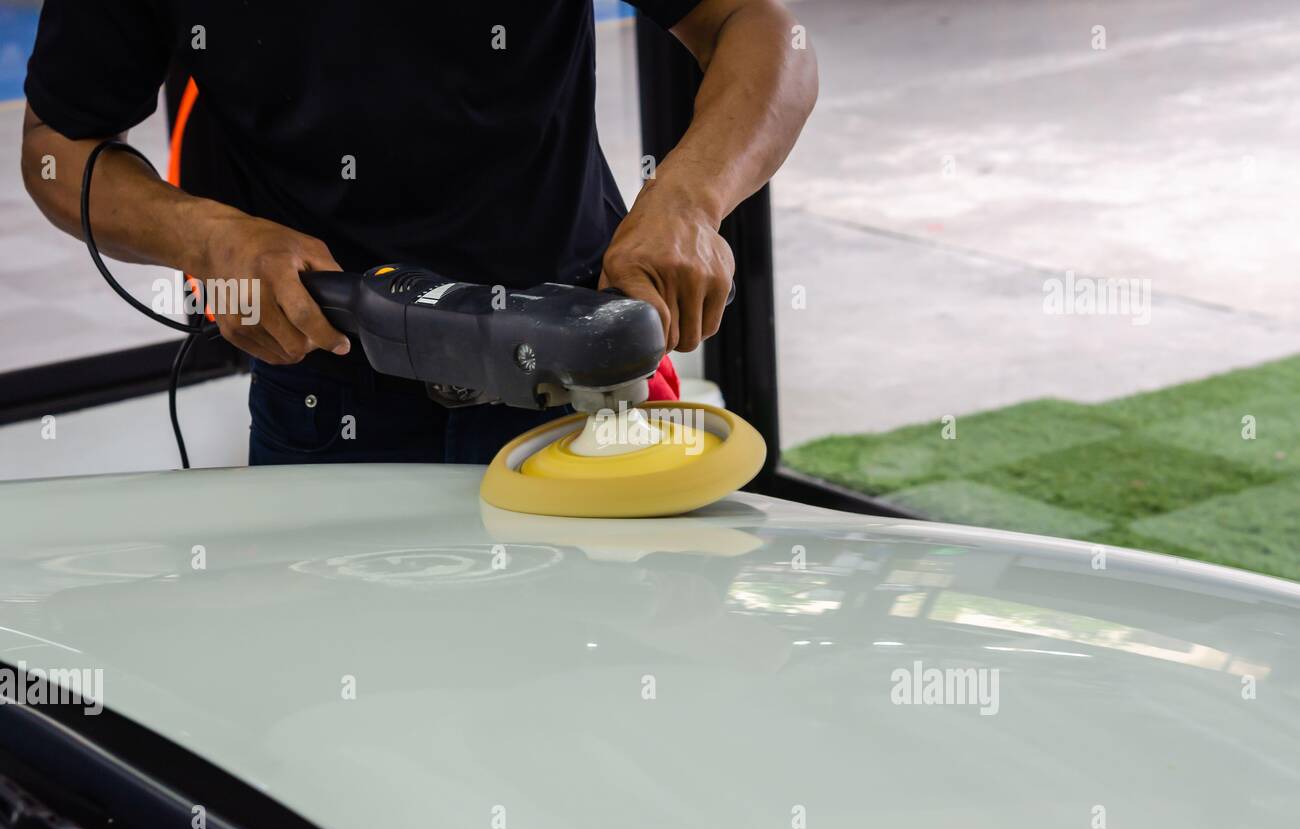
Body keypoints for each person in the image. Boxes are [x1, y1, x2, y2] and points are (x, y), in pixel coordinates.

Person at [20, 1, 817, 464]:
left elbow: (765, 28)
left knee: (593, 710)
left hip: (575, 375)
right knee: (330, 733)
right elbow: (57, 151)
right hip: (323, 387)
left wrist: (687, 198)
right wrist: (206, 236)